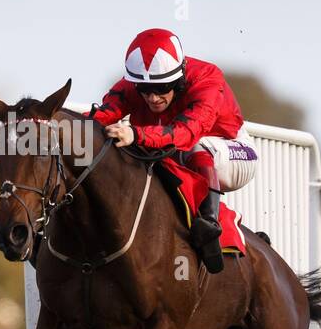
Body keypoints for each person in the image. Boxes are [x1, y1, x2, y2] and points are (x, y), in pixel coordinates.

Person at [88, 28, 244, 273]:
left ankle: (209, 224)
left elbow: (186, 133)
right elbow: (101, 117)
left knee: (195, 145)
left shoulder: (207, 79)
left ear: (179, 78)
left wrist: (136, 134)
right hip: (178, 151)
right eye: (144, 89)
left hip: (231, 149)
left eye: (162, 88)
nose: (152, 97)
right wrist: (57, 125)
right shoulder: (137, 84)